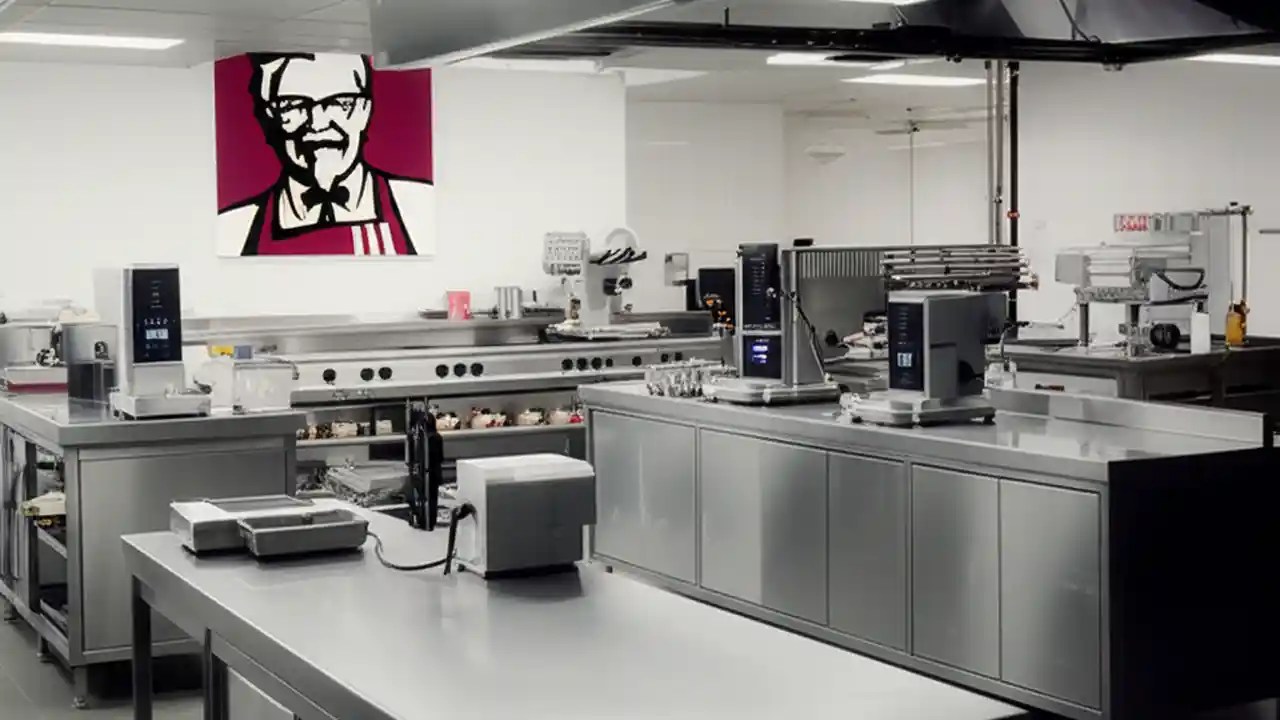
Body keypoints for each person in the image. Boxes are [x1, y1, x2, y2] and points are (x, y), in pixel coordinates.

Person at [218, 53, 434, 256]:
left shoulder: (419, 206)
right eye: (294, 105)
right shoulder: (236, 228)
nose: (319, 124)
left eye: (341, 103)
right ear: (271, 117)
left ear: (365, 111)